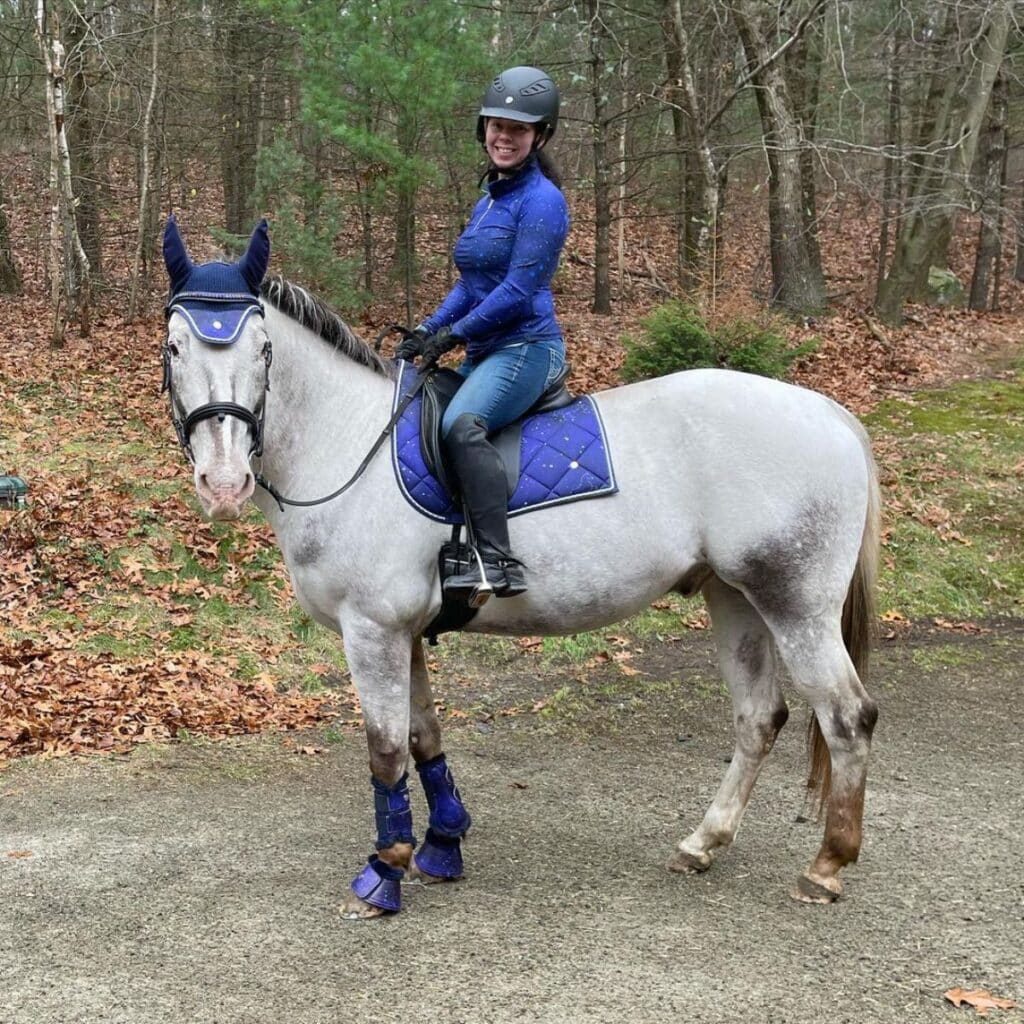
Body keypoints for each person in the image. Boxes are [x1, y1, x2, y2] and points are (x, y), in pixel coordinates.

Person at [397, 66, 570, 601]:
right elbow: (471, 284)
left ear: (538, 136)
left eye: (517, 129)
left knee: (461, 426)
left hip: (526, 348)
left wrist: (453, 337)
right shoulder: (489, 198)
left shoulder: (542, 202)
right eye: (497, 125)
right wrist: (429, 328)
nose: (504, 136)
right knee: (415, 407)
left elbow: (517, 291)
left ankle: (497, 558)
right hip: (486, 350)